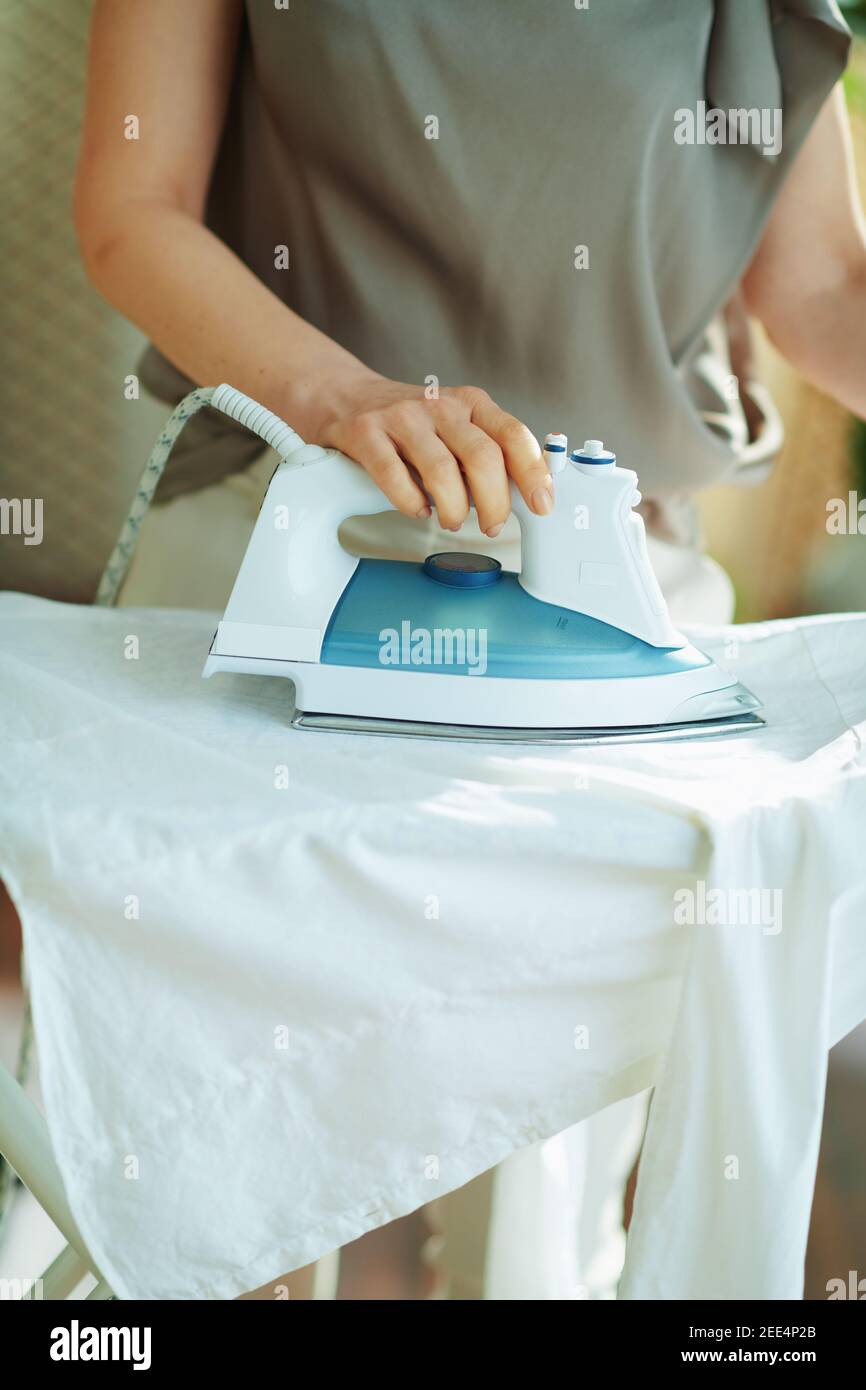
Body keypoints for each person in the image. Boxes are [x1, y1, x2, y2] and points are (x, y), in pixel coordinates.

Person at [74, 0, 866, 1298]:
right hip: (281, 520)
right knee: (202, 1171)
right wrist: (346, 403)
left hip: (613, 562)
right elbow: (132, 201)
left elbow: (821, 279)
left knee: (544, 1214)